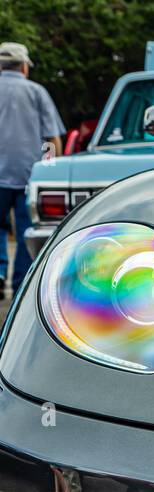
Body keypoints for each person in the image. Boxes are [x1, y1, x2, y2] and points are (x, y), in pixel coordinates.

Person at [0, 42, 64, 299]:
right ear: (24, 67)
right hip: (31, 177)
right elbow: (51, 138)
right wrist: (48, 168)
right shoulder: (37, 92)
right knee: (28, 232)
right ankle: (21, 288)